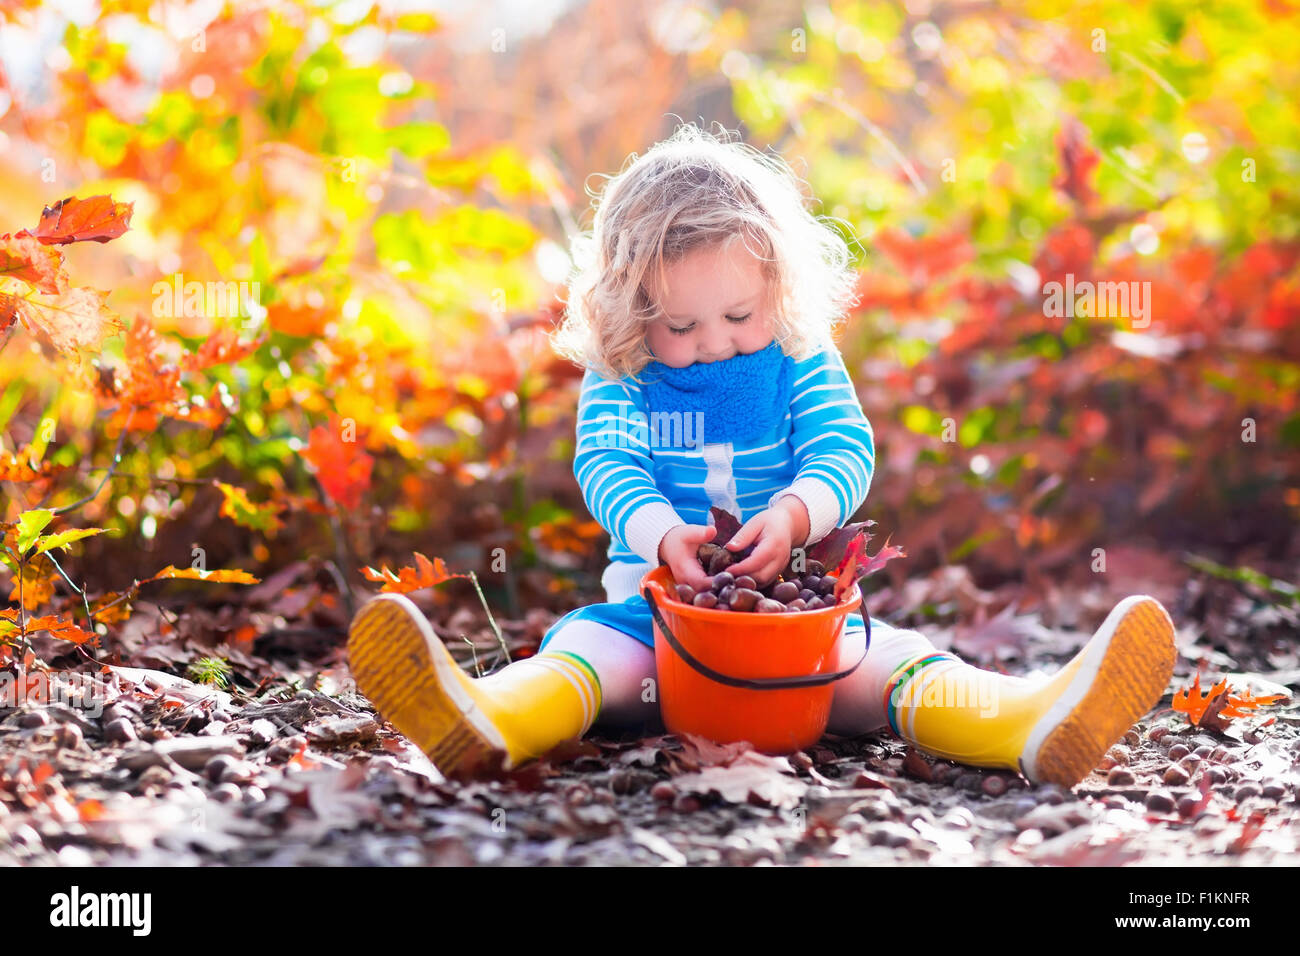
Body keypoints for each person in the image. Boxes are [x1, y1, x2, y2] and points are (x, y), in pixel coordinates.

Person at [347, 123, 1177, 787]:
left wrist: (794, 513)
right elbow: (606, 464)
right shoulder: (625, 373)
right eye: (681, 327)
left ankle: (1026, 721)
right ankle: (482, 719)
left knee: (877, 668)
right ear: (633, 315)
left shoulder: (798, 356)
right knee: (587, 660)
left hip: (792, 631)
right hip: (658, 631)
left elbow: (843, 447)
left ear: (779, 289)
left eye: (739, 315)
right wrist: (662, 535)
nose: (714, 344)